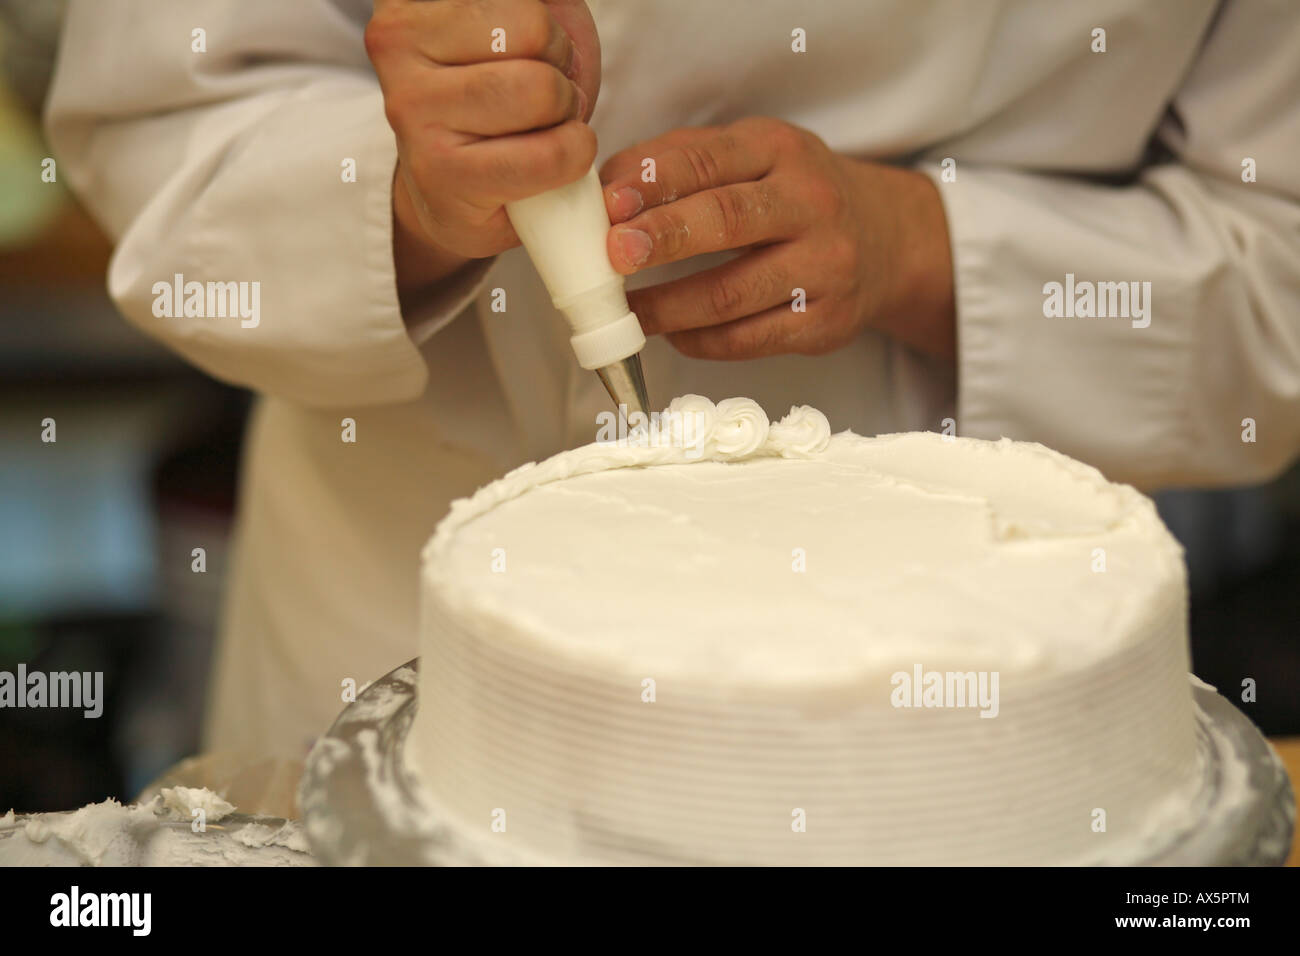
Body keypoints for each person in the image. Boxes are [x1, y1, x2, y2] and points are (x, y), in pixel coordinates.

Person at [45, 0, 1300, 761]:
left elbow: (1277, 282)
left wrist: (921, 249)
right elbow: (162, 118)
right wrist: (413, 198)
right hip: (401, 598)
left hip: (999, 681)